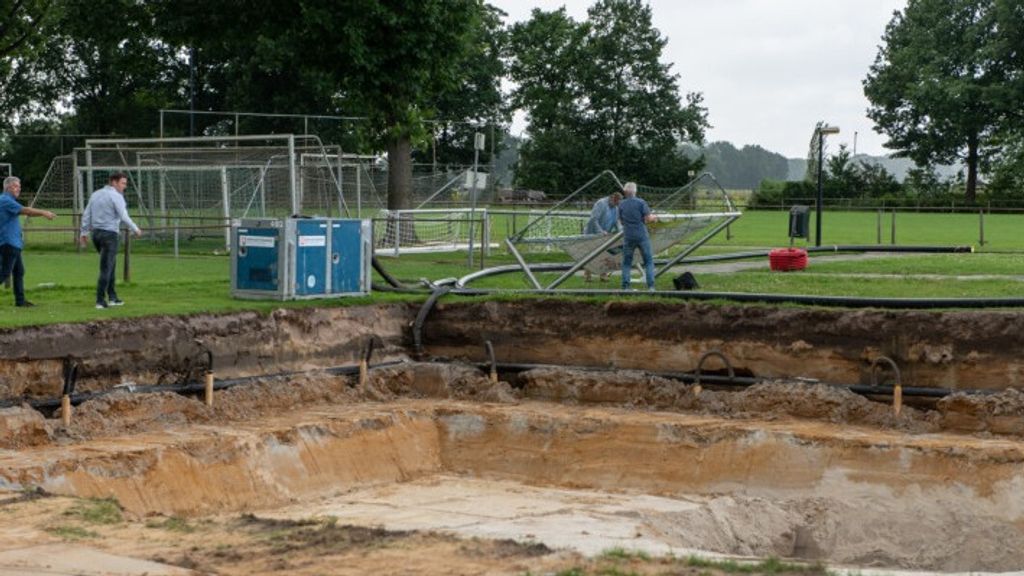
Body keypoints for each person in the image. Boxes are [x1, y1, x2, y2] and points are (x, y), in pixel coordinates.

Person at [80, 172, 142, 309]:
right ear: (114, 182)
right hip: (110, 235)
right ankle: (100, 300)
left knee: (110, 265)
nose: (124, 187)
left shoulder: (95, 194)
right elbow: (124, 216)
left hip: (96, 234)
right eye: (123, 183)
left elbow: (86, 214)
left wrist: (83, 232)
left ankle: (113, 297)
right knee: (106, 268)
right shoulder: (116, 196)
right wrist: (135, 229)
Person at [0, 176, 56, 307]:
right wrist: (43, 212)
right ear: (7, 187)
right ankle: (20, 301)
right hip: (8, 242)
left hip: (13, 243)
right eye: (15, 186)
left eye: (19, 186)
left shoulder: (7, 201)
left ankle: (20, 301)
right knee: (4, 273)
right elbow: (26, 210)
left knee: (19, 272)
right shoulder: (5, 200)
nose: (18, 189)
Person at [618, 181, 657, 291]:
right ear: (635, 191)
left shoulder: (621, 204)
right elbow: (648, 219)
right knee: (648, 261)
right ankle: (651, 287)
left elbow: (621, 221)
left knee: (626, 263)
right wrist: (654, 217)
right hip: (641, 235)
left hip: (628, 236)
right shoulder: (641, 202)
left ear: (625, 192)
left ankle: (626, 287)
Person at [583, 192, 621, 281]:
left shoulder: (615, 207)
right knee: (591, 255)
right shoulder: (601, 203)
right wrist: (600, 231)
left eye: (618, 204)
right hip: (592, 233)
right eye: (616, 203)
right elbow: (594, 219)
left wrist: (620, 230)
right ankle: (587, 275)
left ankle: (603, 275)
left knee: (605, 254)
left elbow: (616, 221)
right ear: (612, 198)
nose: (616, 205)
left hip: (605, 235)